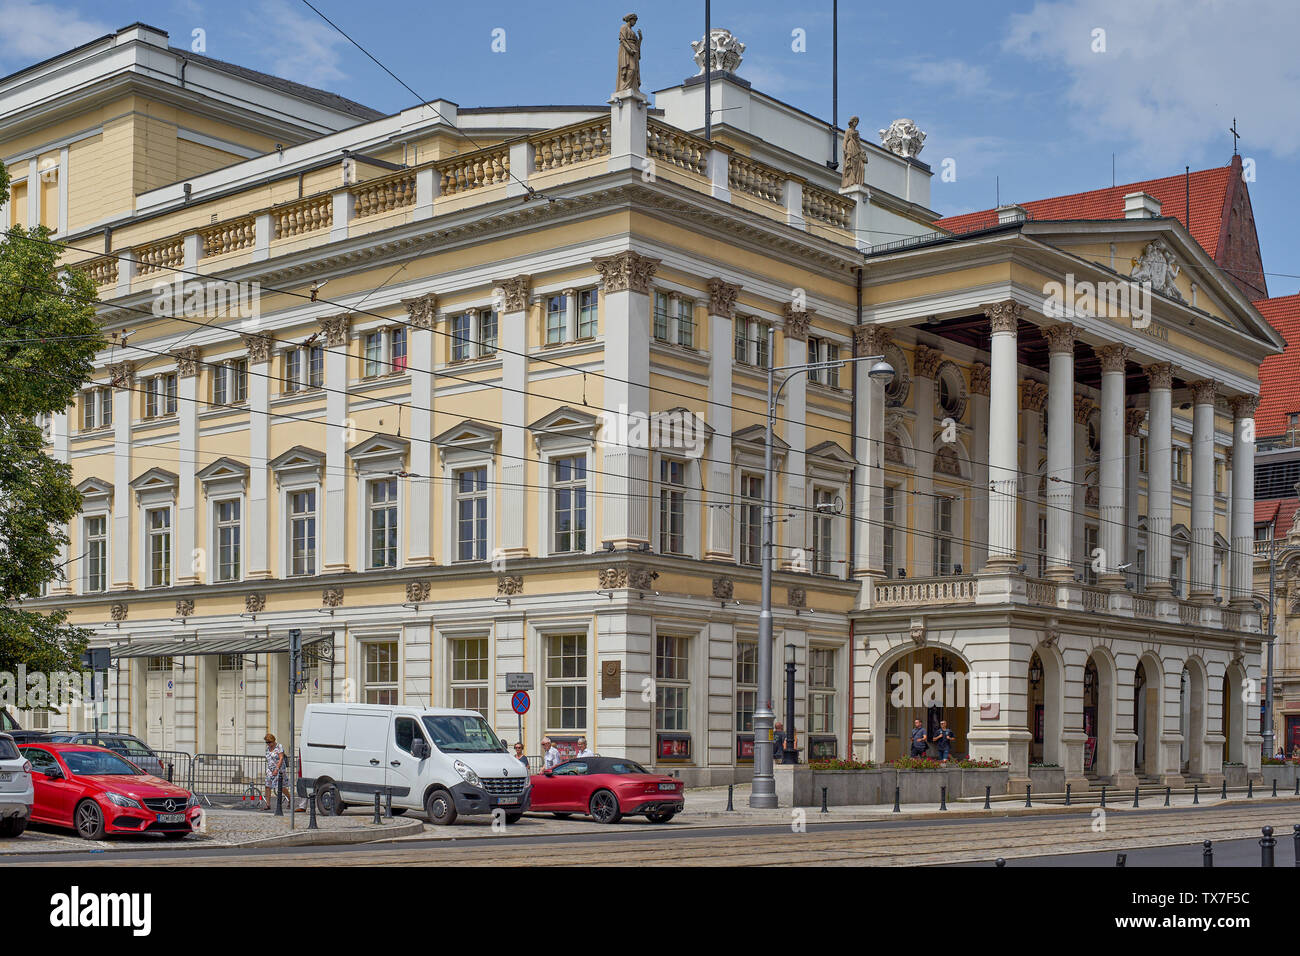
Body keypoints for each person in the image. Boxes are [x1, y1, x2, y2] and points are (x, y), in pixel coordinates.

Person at [263, 734, 292, 810]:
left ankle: (290, 799)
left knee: (281, 787)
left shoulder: (279, 746)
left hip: (279, 769)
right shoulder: (267, 749)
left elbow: (281, 758)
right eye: (267, 742)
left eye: (269, 742)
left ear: (273, 740)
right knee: (267, 786)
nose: (268, 744)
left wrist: (276, 769)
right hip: (270, 769)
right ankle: (268, 804)